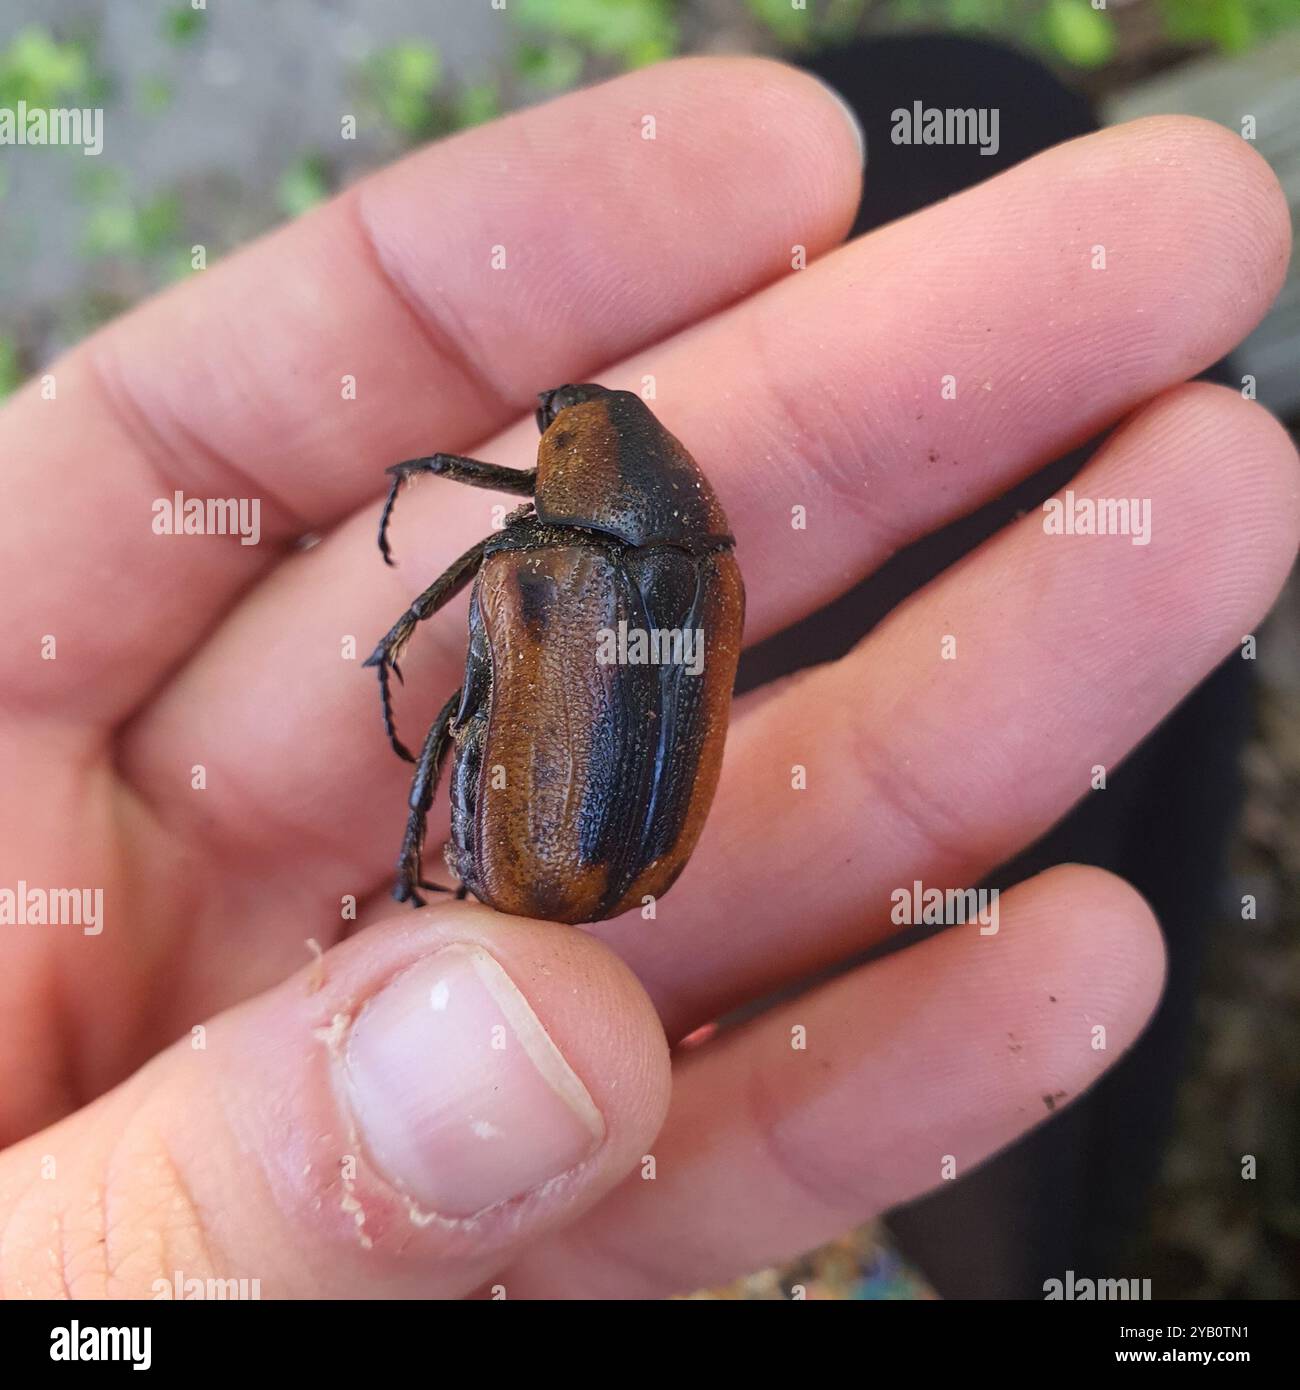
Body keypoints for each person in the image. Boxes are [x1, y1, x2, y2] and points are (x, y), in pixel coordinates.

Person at [0, 56, 1293, 1299]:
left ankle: (414, 871)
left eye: (558, 432)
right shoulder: (698, 570)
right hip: (614, 870)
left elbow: (452, 617)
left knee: (456, 718)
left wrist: (399, 613)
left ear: (578, 467)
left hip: (551, 851)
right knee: (986, 102)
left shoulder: (548, 552)